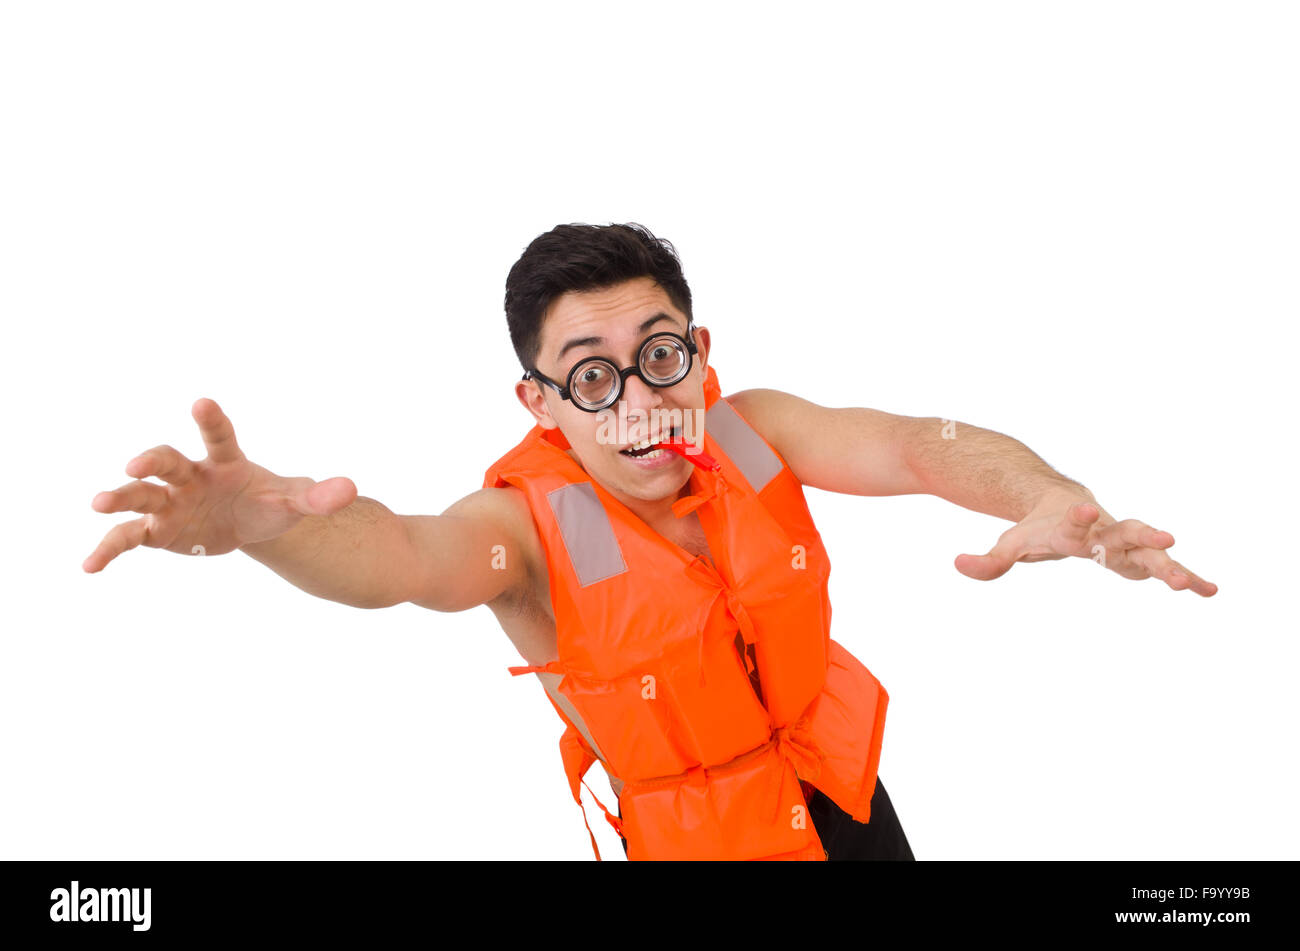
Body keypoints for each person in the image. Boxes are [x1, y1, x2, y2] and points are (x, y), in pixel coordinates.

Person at [83, 222, 1217, 861]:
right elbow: (399, 560)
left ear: (698, 347)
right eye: (590, 373)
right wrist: (249, 530)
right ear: (540, 404)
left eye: (660, 353)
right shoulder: (517, 532)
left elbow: (923, 445)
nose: (638, 399)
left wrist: (1052, 495)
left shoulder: (753, 429)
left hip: (838, 797)